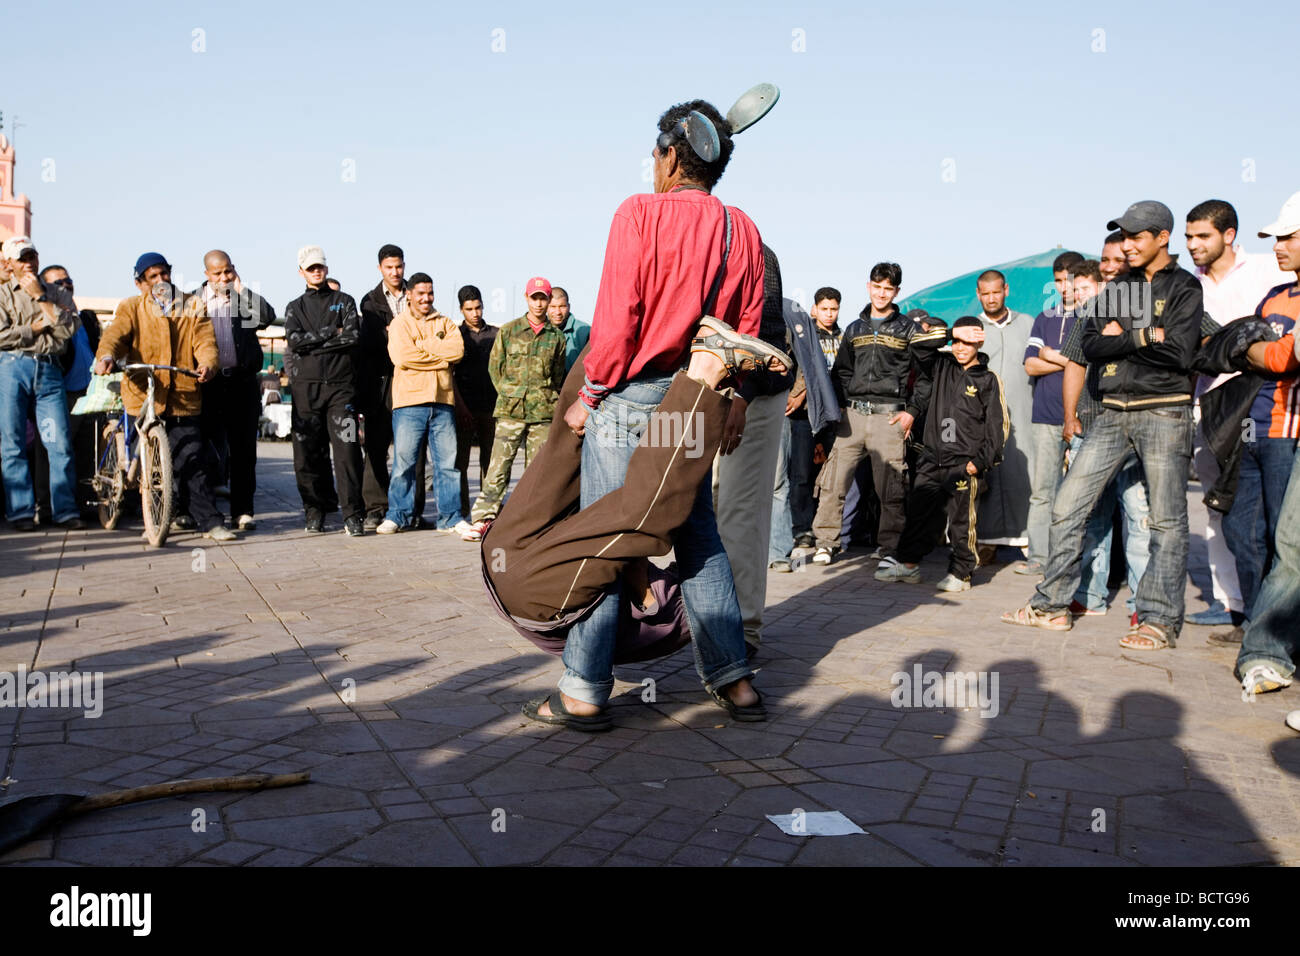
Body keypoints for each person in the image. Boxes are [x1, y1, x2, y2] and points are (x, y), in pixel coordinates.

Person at [529, 98, 772, 729]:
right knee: (697, 537)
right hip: (693, 401)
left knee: (605, 539)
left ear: (669, 155)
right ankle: (734, 681)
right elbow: (743, 331)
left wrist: (587, 398)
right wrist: (733, 395)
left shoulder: (638, 213)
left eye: (654, 154)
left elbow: (616, 321)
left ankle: (584, 689)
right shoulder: (740, 228)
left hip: (629, 399)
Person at [1002, 201, 1203, 651]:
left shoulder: (1185, 287)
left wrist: (1123, 339)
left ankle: (1157, 620)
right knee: (1067, 505)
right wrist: (1145, 334)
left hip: (1164, 410)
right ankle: (1052, 606)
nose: (1127, 246)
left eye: (1136, 237)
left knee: (1164, 521)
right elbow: (1089, 344)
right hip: (1111, 412)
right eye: (1123, 237)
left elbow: (1183, 353)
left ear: (1162, 238)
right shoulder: (1120, 288)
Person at [1185, 199, 1290, 639]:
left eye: (1202, 236)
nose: (1193, 246)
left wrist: (1244, 350)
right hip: (1210, 409)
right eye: (1188, 237)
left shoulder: (1271, 272)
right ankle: (1231, 603)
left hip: (1268, 408)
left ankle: (1276, 619)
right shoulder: (1188, 286)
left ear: (1229, 235)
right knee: (1220, 509)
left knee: (1275, 520)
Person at [811, 262, 946, 565]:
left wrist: (912, 412)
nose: (882, 293)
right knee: (833, 481)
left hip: (890, 417)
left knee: (891, 488)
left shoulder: (909, 329)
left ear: (896, 291)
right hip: (853, 417)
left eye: (889, 288)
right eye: (878, 286)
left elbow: (925, 378)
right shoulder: (854, 329)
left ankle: (888, 548)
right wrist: (844, 407)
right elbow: (842, 372)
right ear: (869, 286)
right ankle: (825, 542)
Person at [93, 252, 234, 541]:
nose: (160, 281)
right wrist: (107, 355)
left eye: (164, 274)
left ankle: (210, 522)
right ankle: (152, 517)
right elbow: (115, 336)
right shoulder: (131, 307)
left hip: (182, 395)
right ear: (140, 283)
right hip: (142, 393)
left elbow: (205, 341)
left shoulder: (192, 305)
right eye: (152, 276)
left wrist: (207, 364)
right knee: (147, 462)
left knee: (191, 457)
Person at [876, 317, 1006, 591]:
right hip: (931, 458)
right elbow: (917, 347)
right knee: (919, 514)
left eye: (967, 342)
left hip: (963, 464)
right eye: (956, 342)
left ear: (980, 342)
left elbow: (998, 427)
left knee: (961, 523)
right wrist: (950, 332)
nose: (960, 348)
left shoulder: (988, 380)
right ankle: (908, 565)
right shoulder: (941, 366)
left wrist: (979, 463)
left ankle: (962, 573)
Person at [1232, 192, 1300, 695]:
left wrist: (1260, 351)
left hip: (1286, 432)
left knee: (1286, 542)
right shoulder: (1276, 296)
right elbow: (1245, 350)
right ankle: (1264, 649)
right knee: (1276, 541)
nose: (1278, 246)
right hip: (1263, 427)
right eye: (1276, 237)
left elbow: (1280, 359)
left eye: (1288, 236)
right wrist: (1258, 351)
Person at [713, 243, 794, 655]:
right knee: (699, 511)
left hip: (752, 395)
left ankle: (740, 632)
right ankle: (707, 618)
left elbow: (768, 333)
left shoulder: (752, 250)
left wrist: (741, 396)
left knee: (739, 512)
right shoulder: (681, 245)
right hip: (703, 392)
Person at [1060, 259, 1149, 624]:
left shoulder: (1153, 307)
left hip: (1138, 428)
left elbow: (1185, 348)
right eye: (1107, 264)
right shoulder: (1089, 316)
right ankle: (1089, 594)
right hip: (1091, 428)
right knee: (1092, 517)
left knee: (1141, 516)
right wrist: (1069, 416)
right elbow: (1075, 365)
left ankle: (1143, 605)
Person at [463, 278, 566, 539]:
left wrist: (543, 397)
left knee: (537, 471)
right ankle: (484, 517)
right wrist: (511, 393)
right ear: (526, 298)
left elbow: (557, 375)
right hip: (511, 410)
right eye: (535, 298)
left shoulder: (556, 337)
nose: (540, 303)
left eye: (544, 298)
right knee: (498, 466)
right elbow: (495, 369)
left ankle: (530, 521)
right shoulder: (508, 331)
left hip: (543, 412)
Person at [375, 273, 473, 536]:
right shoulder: (399, 324)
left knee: (448, 464)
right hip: (409, 402)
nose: (426, 298)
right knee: (404, 463)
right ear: (409, 294)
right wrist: (440, 358)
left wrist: (424, 347)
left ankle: (451, 517)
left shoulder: (446, 323)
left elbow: (457, 352)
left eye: (430, 293)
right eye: (420, 293)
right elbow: (402, 357)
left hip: (443, 402)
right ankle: (398, 515)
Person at [283, 245, 366, 536]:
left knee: (347, 452)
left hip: (340, 391)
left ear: (327, 268)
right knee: (306, 455)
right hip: (306, 392)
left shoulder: (344, 301)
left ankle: (353, 514)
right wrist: (333, 332)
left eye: (320, 266)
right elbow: (295, 341)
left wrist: (313, 343)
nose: (316, 271)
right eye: (310, 268)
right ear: (301, 272)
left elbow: (354, 336)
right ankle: (314, 511)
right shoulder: (295, 307)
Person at [0, 236, 81, 531]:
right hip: (12, 368)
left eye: (32, 255)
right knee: (12, 443)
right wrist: (36, 326)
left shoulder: (56, 292)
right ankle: (20, 512)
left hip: (48, 369)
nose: (29, 262)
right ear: (9, 263)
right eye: (21, 258)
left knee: (59, 443)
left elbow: (69, 329)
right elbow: (1, 336)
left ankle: (64, 511)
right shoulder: (3, 295)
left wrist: (40, 299)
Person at [195, 250, 275, 532]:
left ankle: (243, 510)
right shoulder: (194, 301)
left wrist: (240, 289)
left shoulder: (242, 300)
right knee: (204, 449)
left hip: (242, 383)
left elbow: (267, 316)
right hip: (208, 385)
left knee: (243, 450)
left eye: (228, 271)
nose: (223, 278)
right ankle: (206, 512)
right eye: (217, 274)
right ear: (206, 274)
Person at [1018, 251, 1084, 576]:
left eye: (1070, 280)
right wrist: (1069, 360)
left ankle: (1071, 558)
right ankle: (1038, 556)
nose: (1064, 287)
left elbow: (1094, 364)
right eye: (1058, 281)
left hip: (1083, 416)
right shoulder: (1045, 317)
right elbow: (1030, 363)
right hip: (1045, 415)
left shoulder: (1093, 316)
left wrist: (1053, 355)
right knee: (1042, 491)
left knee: (1080, 494)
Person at [973, 269, 1035, 563]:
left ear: (1006, 290)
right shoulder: (972, 328)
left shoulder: (1027, 323)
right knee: (987, 477)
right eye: (985, 294)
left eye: (996, 292)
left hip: (1024, 414)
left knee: (1023, 475)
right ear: (978, 295)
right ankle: (985, 541)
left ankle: (1027, 538)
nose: (991, 298)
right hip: (984, 419)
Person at [32, 264, 100, 523]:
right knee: (52, 451)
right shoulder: (46, 319)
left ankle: (83, 505)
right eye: (58, 283)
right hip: (57, 395)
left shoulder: (86, 319)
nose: (66, 286)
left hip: (88, 396)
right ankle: (46, 507)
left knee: (86, 452)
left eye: (68, 281)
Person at [357, 243, 418, 530]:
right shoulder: (369, 300)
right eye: (389, 267)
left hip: (412, 379)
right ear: (380, 268)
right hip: (381, 382)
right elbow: (369, 341)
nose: (395, 272)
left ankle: (412, 509)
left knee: (412, 448)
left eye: (399, 266)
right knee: (376, 447)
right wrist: (392, 333)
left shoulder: (416, 294)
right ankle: (375, 507)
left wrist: (396, 332)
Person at [787, 287, 843, 554]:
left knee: (829, 475)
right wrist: (800, 394)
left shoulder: (843, 338)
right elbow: (806, 369)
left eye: (833, 309)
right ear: (815, 308)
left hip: (833, 415)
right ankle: (802, 529)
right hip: (804, 413)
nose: (829, 314)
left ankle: (827, 528)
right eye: (825, 309)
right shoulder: (806, 334)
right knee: (801, 473)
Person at [453, 285, 497, 518]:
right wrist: (459, 406)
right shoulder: (455, 335)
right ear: (461, 310)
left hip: (491, 407)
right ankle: (461, 511)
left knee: (490, 464)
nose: (475, 313)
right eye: (469, 309)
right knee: (460, 464)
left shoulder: (496, 335)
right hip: (463, 408)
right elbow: (449, 375)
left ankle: (487, 512)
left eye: (477, 307)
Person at [547, 287, 590, 373]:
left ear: (569, 306)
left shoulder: (585, 332)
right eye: (553, 307)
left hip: (575, 385)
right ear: (546, 307)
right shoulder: (539, 332)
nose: (558, 312)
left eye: (562, 306)